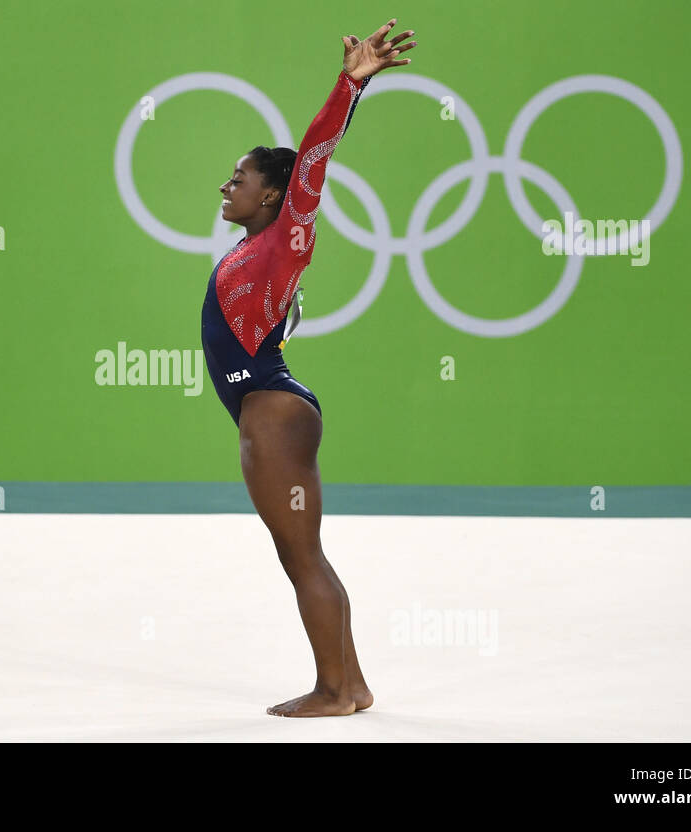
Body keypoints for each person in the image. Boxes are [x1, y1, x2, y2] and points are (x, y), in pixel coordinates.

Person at [200, 19, 416, 717]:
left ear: (271, 196)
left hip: (273, 410)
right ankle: (350, 685)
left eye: (239, 178)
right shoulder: (254, 251)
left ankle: (333, 688)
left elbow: (315, 157)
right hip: (271, 408)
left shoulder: (285, 238)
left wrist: (348, 85)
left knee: (302, 558)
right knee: (303, 556)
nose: (225, 186)